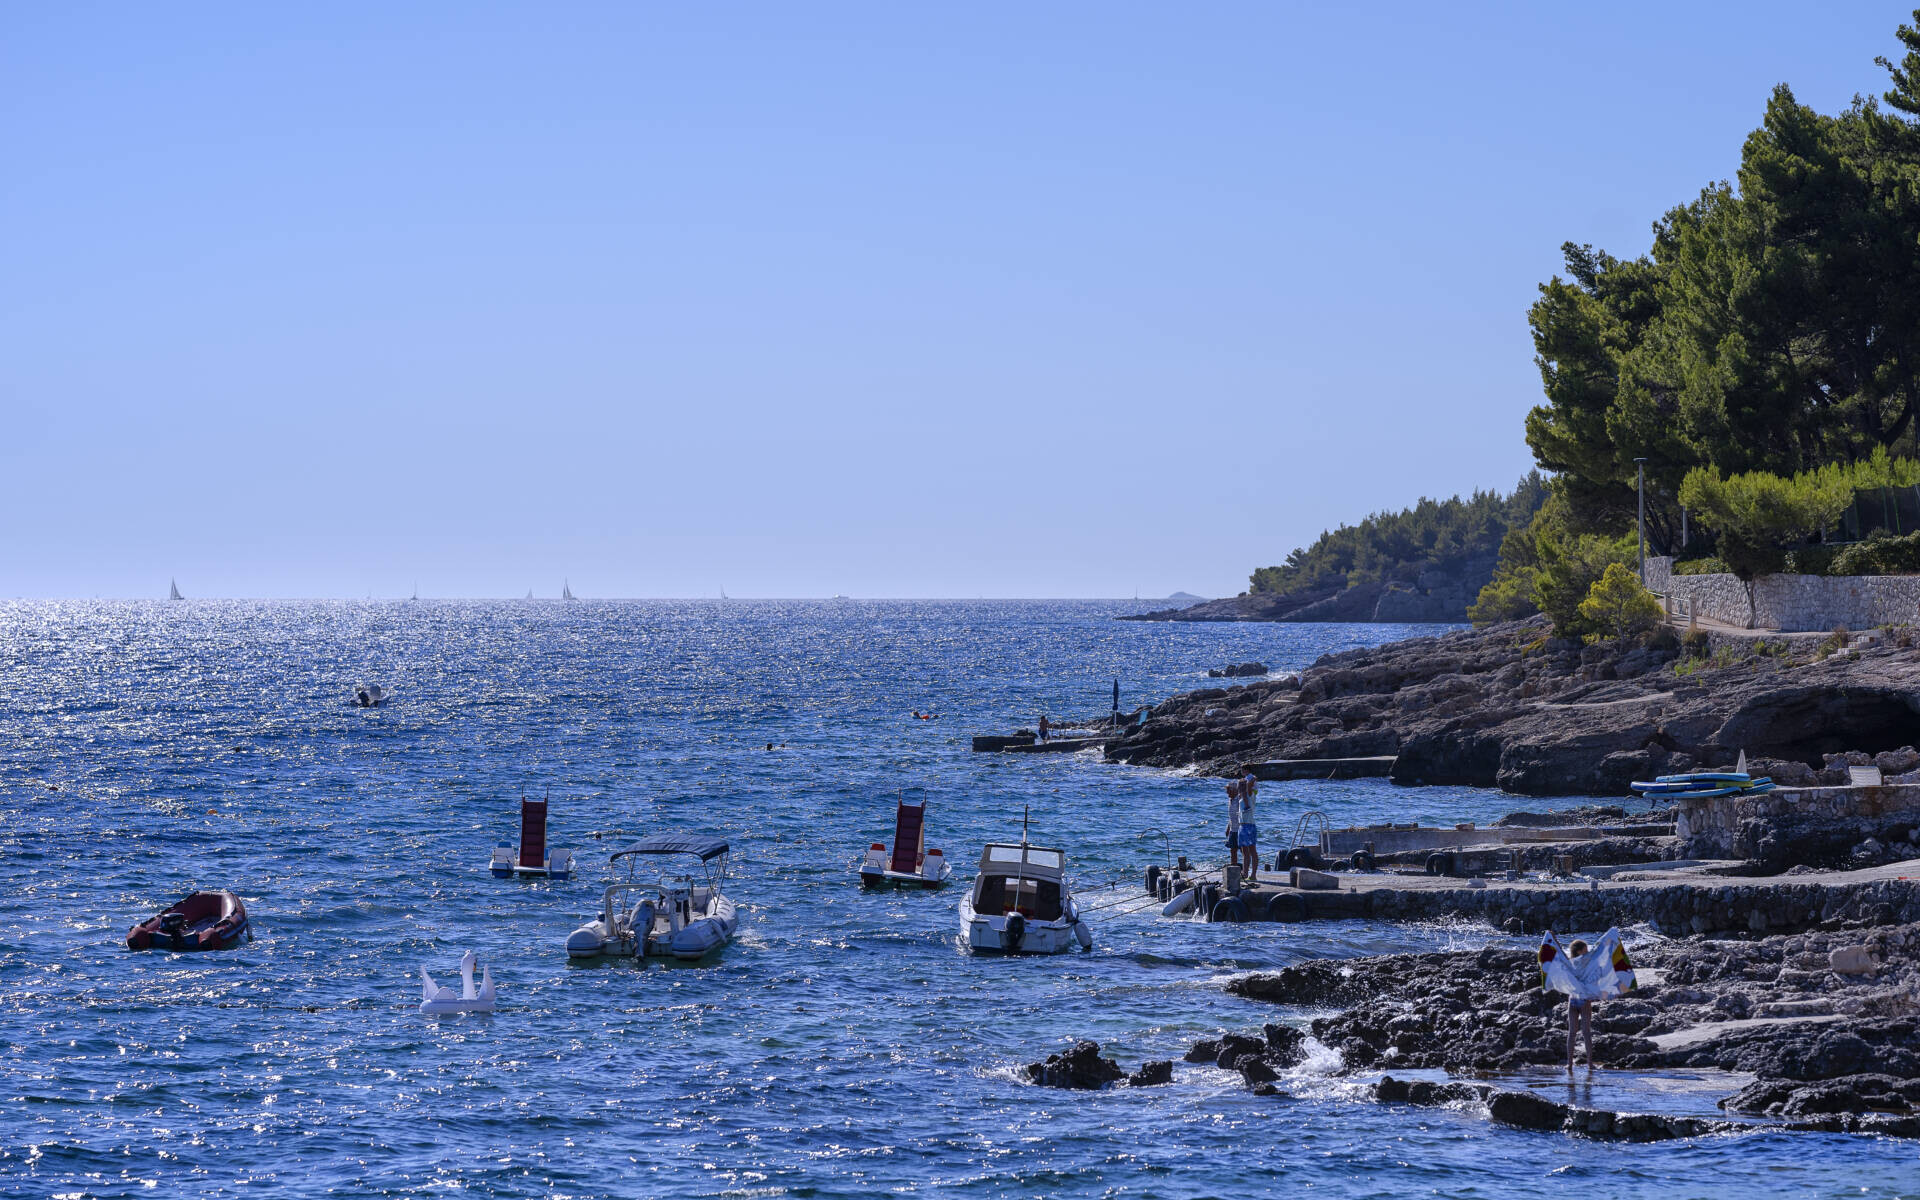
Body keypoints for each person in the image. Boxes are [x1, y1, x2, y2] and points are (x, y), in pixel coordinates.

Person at [1565, 939, 1594, 1072]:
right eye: (1585, 949)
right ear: (1579, 951)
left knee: (1572, 1033)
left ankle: (1569, 1064)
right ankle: (1590, 1064)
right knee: (1586, 1033)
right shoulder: (1587, 963)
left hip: (1572, 1000)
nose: (1587, 951)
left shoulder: (1569, 964)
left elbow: (1559, 955)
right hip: (1584, 1000)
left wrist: (1552, 939)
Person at [1238, 782, 1258, 882]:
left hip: (1249, 825)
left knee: (1252, 851)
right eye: (1239, 786)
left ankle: (1253, 874)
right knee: (1245, 853)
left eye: (1242, 786)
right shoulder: (1241, 798)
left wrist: (1247, 786)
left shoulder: (1249, 795)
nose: (1240, 788)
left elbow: (1250, 787)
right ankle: (1245, 873)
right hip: (1242, 826)